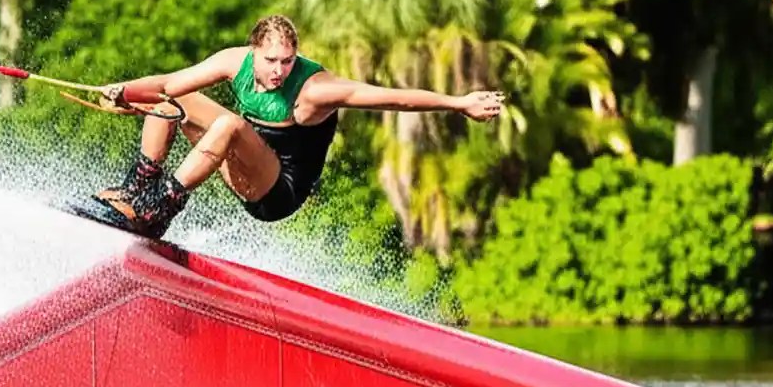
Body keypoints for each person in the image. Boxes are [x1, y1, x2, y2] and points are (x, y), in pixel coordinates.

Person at [92, 14, 504, 238]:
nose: (278, 70)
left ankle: (157, 211)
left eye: (287, 61)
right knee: (171, 98)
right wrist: (124, 91)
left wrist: (458, 103)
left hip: (278, 191)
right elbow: (167, 85)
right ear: (254, 51)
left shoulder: (314, 90)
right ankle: (136, 190)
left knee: (230, 125)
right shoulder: (234, 61)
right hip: (240, 163)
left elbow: (389, 96)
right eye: (271, 61)